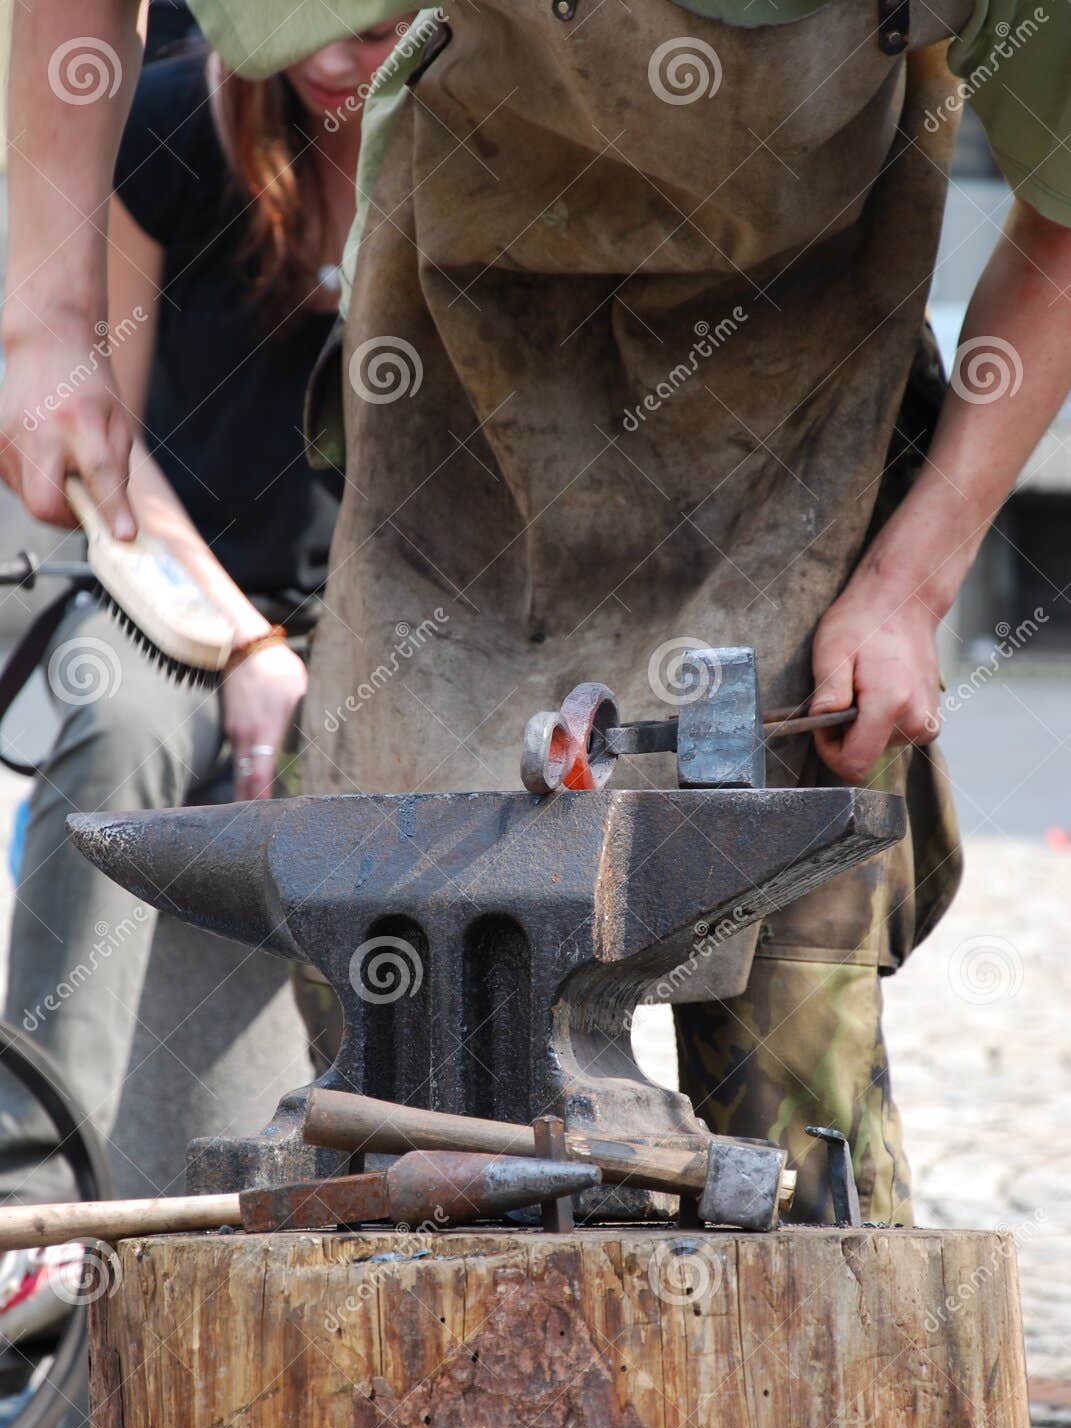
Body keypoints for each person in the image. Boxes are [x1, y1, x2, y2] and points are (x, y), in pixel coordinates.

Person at [3, 2, 1071, 1231]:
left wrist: (912, 580)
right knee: (405, 1035)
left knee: (793, 1117)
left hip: (806, 456)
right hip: (464, 456)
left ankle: (821, 1380)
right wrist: (44, 321)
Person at [0, 13, 410, 1340]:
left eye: (386, 23)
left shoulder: (475, 137)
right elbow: (99, 449)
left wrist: (331, 655)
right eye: (323, 22)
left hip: (395, 611)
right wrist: (242, 645)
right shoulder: (173, 124)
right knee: (111, 725)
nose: (352, 52)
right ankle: (27, 1213)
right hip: (174, 597)